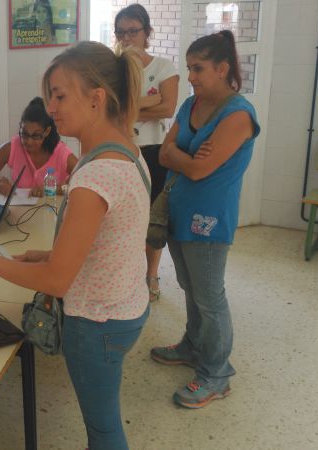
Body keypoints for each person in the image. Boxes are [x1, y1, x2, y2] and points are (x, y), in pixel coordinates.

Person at [0, 41, 149, 449]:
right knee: (103, 424)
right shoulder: (126, 152)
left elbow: (56, 281)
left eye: (59, 96)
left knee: (104, 430)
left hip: (98, 321)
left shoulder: (96, 174)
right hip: (125, 304)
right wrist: (54, 253)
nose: (50, 108)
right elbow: (112, 240)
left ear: (96, 99)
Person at [151, 30, 260, 409]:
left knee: (210, 296)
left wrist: (180, 157)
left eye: (198, 68)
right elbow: (164, 153)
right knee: (189, 285)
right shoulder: (190, 105)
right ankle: (192, 345)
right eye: (189, 68)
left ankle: (217, 374)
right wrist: (186, 158)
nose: (191, 76)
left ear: (222, 68)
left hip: (209, 220)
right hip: (178, 211)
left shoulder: (238, 115)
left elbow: (199, 169)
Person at [115, 3, 179, 302]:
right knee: (124, 217)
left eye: (133, 31)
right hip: (122, 149)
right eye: (121, 33)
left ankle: (151, 275)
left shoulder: (163, 67)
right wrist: (149, 101)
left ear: (147, 32)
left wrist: (131, 107)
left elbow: (168, 107)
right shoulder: (115, 68)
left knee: (153, 217)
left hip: (153, 150)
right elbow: (111, 108)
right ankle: (127, 275)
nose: (127, 38)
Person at [0, 97, 77, 197]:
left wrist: (53, 189)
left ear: (47, 131)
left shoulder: (61, 153)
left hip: (53, 209)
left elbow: (85, 181)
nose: (29, 141)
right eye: (24, 134)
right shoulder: (14, 147)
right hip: (19, 209)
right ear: (20, 127)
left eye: (36, 135)